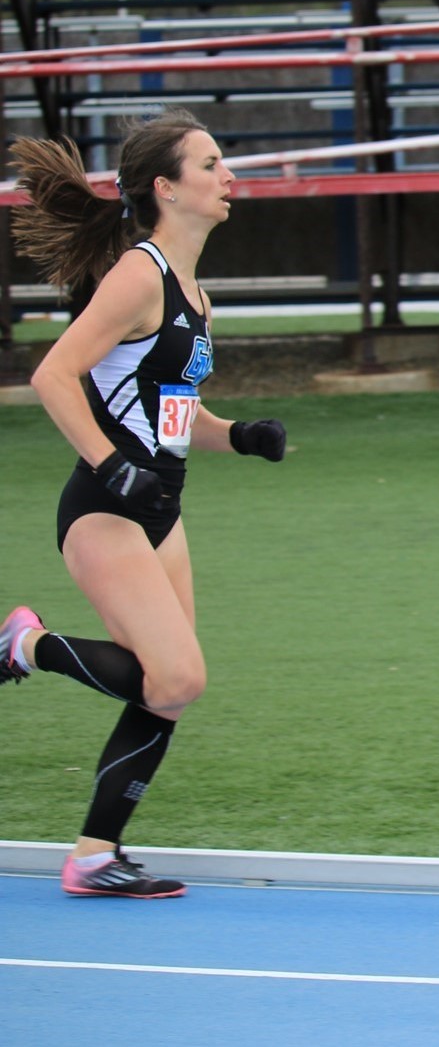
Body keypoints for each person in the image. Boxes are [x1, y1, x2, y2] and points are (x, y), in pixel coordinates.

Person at [2, 110, 288, 898]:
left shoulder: (196, 293)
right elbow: (54, 377)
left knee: (164, 688)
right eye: (211, 163)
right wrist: (109, 465)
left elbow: (175, 413)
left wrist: (240, 434)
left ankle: (96, 855)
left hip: (161, 508)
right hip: (104, 507)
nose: (229, 175)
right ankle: (23, 646)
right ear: (167, 187)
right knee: (178, 677)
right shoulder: (139, 273)